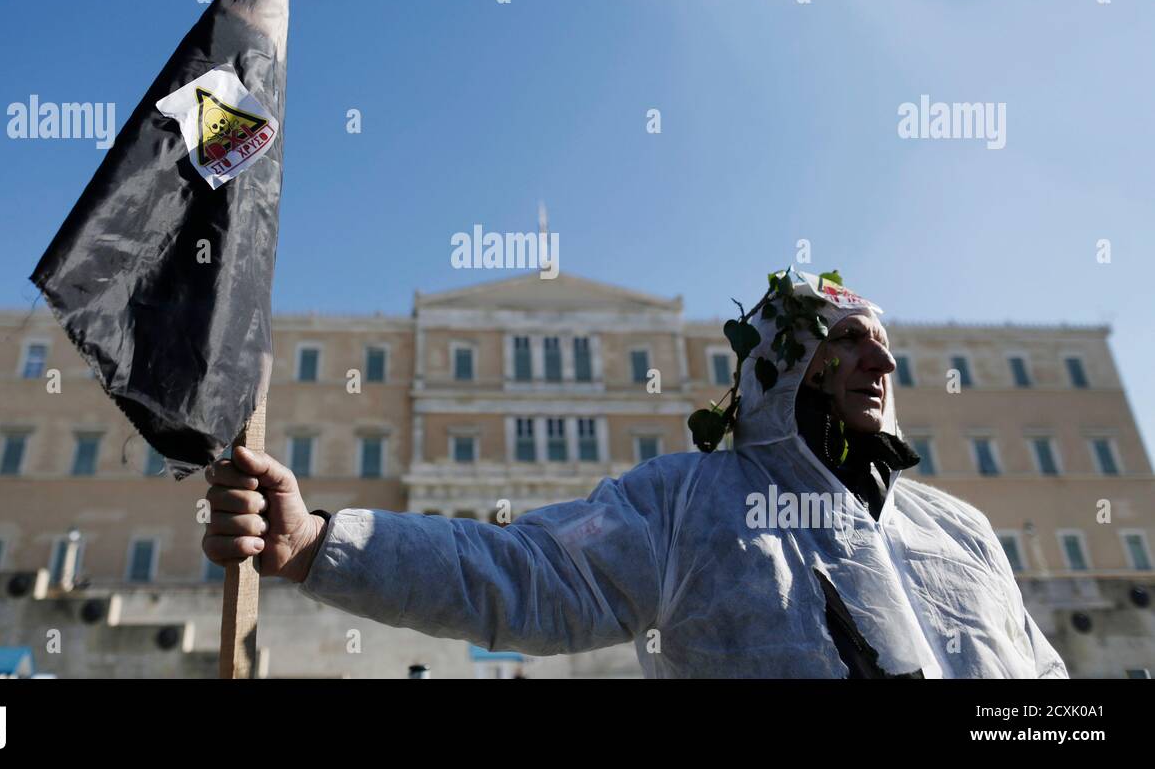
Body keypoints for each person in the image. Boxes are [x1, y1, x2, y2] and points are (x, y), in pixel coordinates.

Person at [201, 270, 1067, 678]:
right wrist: (318, 540)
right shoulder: (689, 502)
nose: (878, 355)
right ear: (780, 362)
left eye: (880, 337)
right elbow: (526, 572)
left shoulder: (961, 527)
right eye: (846, 336)